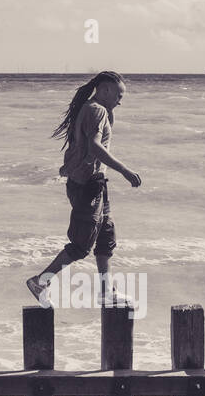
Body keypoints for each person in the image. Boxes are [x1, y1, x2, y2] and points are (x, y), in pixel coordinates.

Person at [27, 70, 142, 308]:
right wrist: (125, 170)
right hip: (87, 186)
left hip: (96, 184)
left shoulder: (97, 110)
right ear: (106, 89)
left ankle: (105, 292)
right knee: (81, 245)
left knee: (105, 237)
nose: (121, 100)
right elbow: (95, 147)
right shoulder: (96, 110)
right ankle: (41, 281)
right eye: (119, 94)